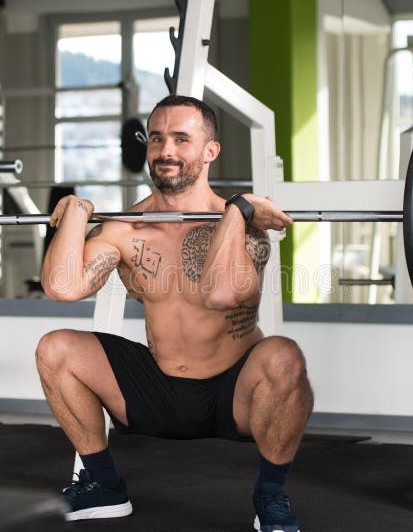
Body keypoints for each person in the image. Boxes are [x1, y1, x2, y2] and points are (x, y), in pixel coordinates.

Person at [36, 95, 314, 532]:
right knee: (55, 349)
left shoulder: (246, 221)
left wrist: (237, 211)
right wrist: (74, 212)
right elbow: (63, 287)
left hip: (234, 392)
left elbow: (222, 294)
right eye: (158, 138)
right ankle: (104, 486)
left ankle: (271, 494)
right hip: (157, 388)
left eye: (181, 139)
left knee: (284, 356)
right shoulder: (125, 227)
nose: (166, 151)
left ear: (210, 151)